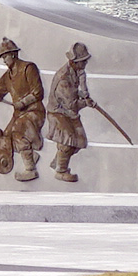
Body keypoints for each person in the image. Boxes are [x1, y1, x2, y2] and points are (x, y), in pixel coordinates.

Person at [0, 38, 45, 181]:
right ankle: (30, 155)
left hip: (34, 112)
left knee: (18, 129)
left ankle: (30, 169)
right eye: (2, 58)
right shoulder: (7, 77)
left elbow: (38, 92)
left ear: (13, 54)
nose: (4, 60)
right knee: (5, 138)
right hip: (19, 114)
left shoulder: (28, 68)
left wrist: (23, 102)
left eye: (5, 56)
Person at [46, 42, 98, 182]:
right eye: (83, 61)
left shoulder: (75, 71)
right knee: (68, 141)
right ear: (74, 61)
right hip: (58, 113)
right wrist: (86, 103)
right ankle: (61, 171)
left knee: (80, 141)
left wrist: (84, 93)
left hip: (69, 112)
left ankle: (58, 161)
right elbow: (72, 105)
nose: (86, 63)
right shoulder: (63, 78)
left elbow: (75, 92)